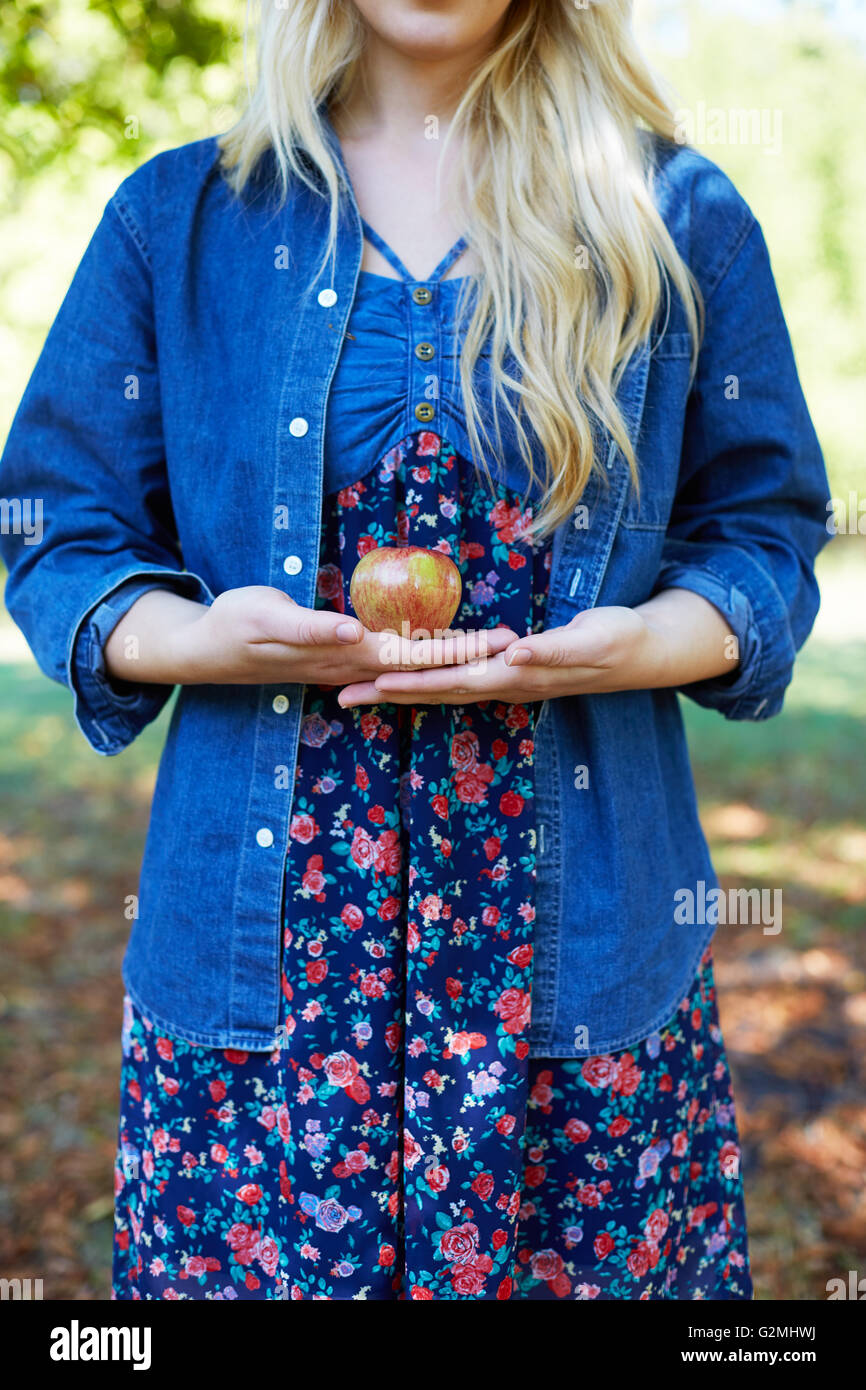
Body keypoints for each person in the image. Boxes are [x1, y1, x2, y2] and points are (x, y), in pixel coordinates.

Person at [0, 0, 830, 1300]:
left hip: (574, 958)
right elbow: (56, 525)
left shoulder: (672, 211)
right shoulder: (180, 220)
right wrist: (198, 639)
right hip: (266, 966)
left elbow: (764, 529)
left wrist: (625, 649)